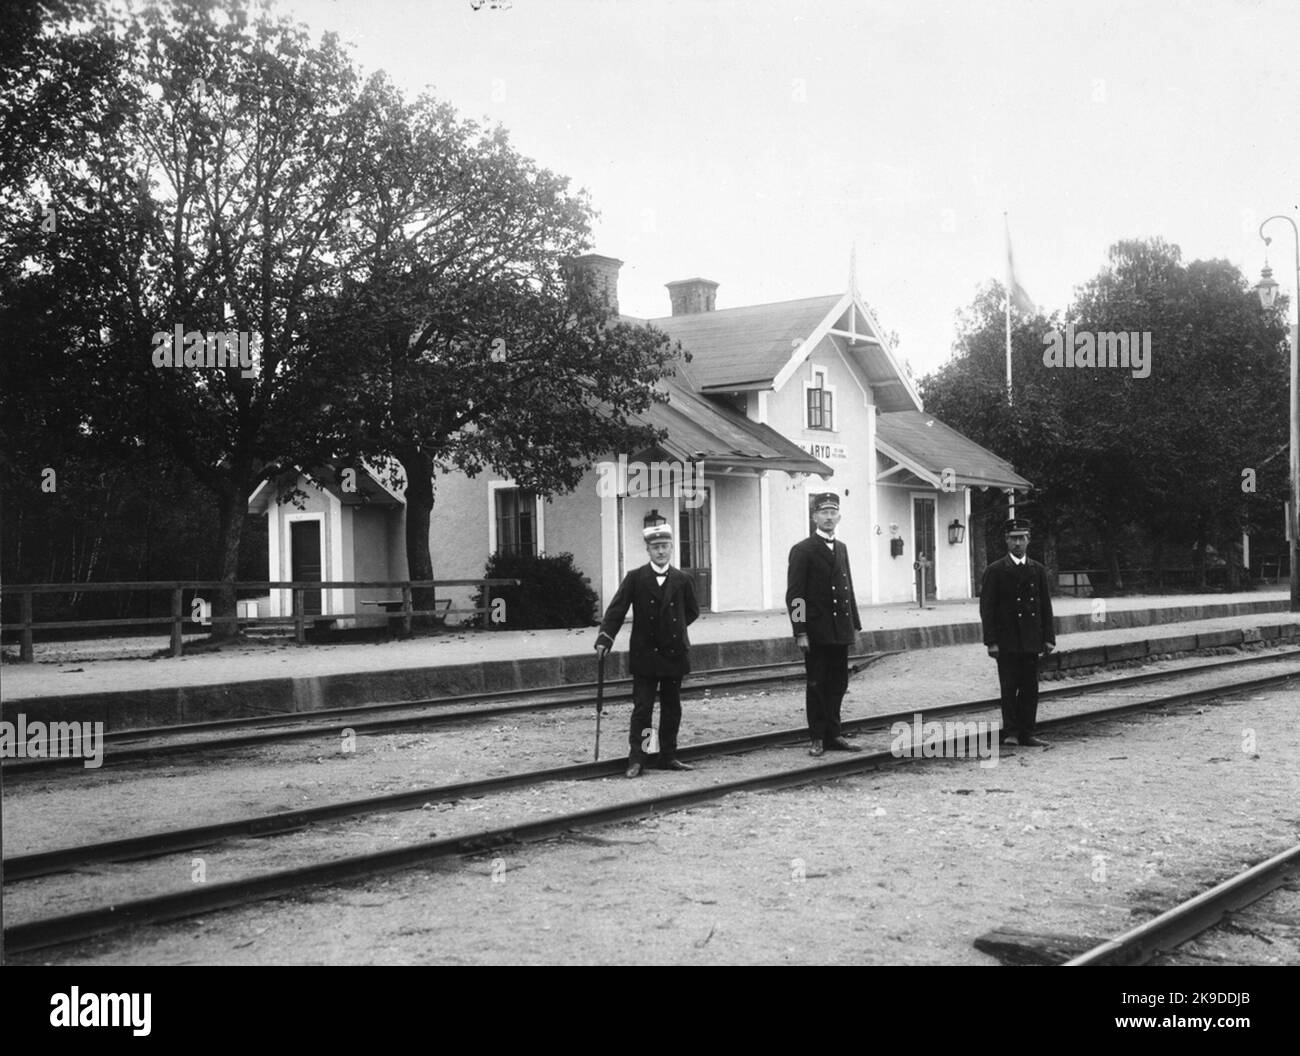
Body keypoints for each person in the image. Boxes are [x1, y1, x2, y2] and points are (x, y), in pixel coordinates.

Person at [595, 522, 701, 778]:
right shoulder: (635, 577)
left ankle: (668, 756)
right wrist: (605, 638)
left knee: (671, 707)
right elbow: (617, 610)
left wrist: (671, 630)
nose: (661, 552)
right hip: (645, 654)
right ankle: (638, 759)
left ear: (672, 548)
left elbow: (692, 611)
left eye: (665, 546)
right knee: (642, 708)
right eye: (655, 548)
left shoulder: (683, 579)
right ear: (648, 550)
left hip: (674, 653)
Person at [786, 492, 863, 756]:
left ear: (839, 516)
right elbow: (795, 596)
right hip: (816, 631)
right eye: (824, 513)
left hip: (840, 629)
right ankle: (817, 737)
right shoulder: (802, 550)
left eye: (833, 512)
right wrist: (800, 631)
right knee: (817, 684)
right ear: (814, 517)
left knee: (839, 683)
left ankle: (834, 734)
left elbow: (848, 588)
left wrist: (854, 624)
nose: (829, 517)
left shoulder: (842, 548)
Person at [979, 517, 1056, 747]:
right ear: (1006, 540)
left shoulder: (1038, 570)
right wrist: (991, 641)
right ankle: (1011, 731)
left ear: (1028, 540)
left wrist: (1049, 638)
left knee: (1030, 688)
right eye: (1013, 538)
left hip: (1031, 639)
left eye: (1021, 538)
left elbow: (1045, 606)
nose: (1017, 543)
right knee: (1009, 687)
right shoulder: (995, 571)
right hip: (1007, 641)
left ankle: (1028, 732)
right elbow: (987, 609)